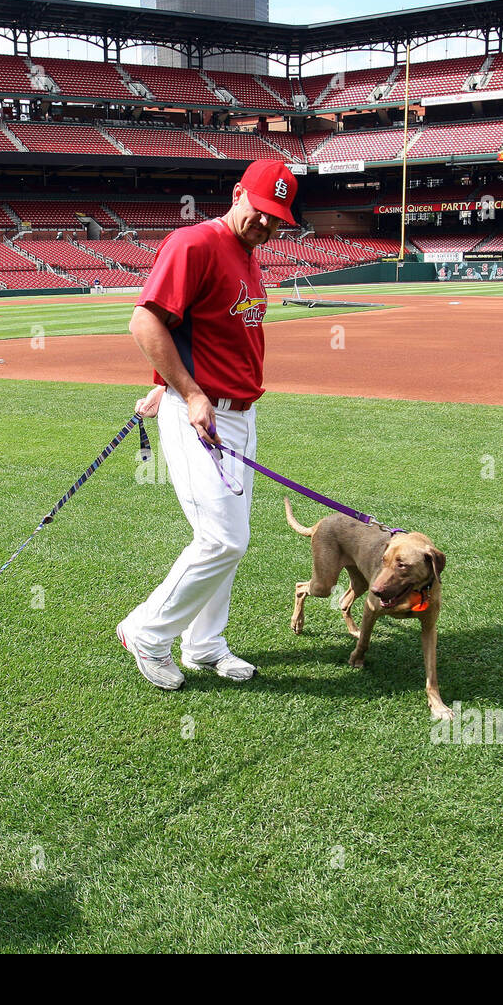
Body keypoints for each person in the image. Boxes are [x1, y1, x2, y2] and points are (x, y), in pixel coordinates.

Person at [116, 157, 298, 690]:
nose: (265, 225)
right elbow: (145, 319)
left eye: (276, 219)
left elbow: (202, 330)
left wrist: (165, 379)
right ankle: (147, 632)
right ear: (238, 193)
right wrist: (186, 391)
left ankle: (204, 643)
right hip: (203, 415)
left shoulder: (247, 254)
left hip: (239, 413)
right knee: (224, 539)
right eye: (260, 211)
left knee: (227, 537)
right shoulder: (194, 243)